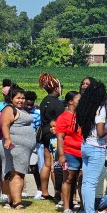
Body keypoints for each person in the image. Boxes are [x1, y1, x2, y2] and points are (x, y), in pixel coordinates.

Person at [77, 80, 107, 213]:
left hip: (85, 145)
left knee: (86, 183)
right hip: (97, 147)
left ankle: (88, 211)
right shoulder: (100, 108)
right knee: (91, 183)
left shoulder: (86, 107)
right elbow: (101, 132)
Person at [0, 86, 36, 210]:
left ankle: (11, 200)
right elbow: (4, 124)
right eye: (18, 98)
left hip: (23, 148)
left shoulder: (21, 109)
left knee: (18, 173)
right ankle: (17, 202)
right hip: (14, 146)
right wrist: (8, 139)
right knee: (16, 173)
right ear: (11, 98)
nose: (21, 100)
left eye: (23, 98)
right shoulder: (9, 109)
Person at [55, 91, 82, 213]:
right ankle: (66, 207)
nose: (81, 102)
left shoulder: (82, 115)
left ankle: (83, 205)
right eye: (78, 100)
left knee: (82, 179)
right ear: (70, 101)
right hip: (69, 151)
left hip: (83, 152)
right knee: (68, 179)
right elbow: (60, 137)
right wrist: (61, 155)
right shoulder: (63, 118)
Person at [38, 73, 64, 201]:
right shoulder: (58, 104)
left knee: (46, 164)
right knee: (55, 164)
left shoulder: (44, 101)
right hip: (54, 135)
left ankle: (44, 191)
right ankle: (58, 191)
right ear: (56, 88)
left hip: (44, 133)